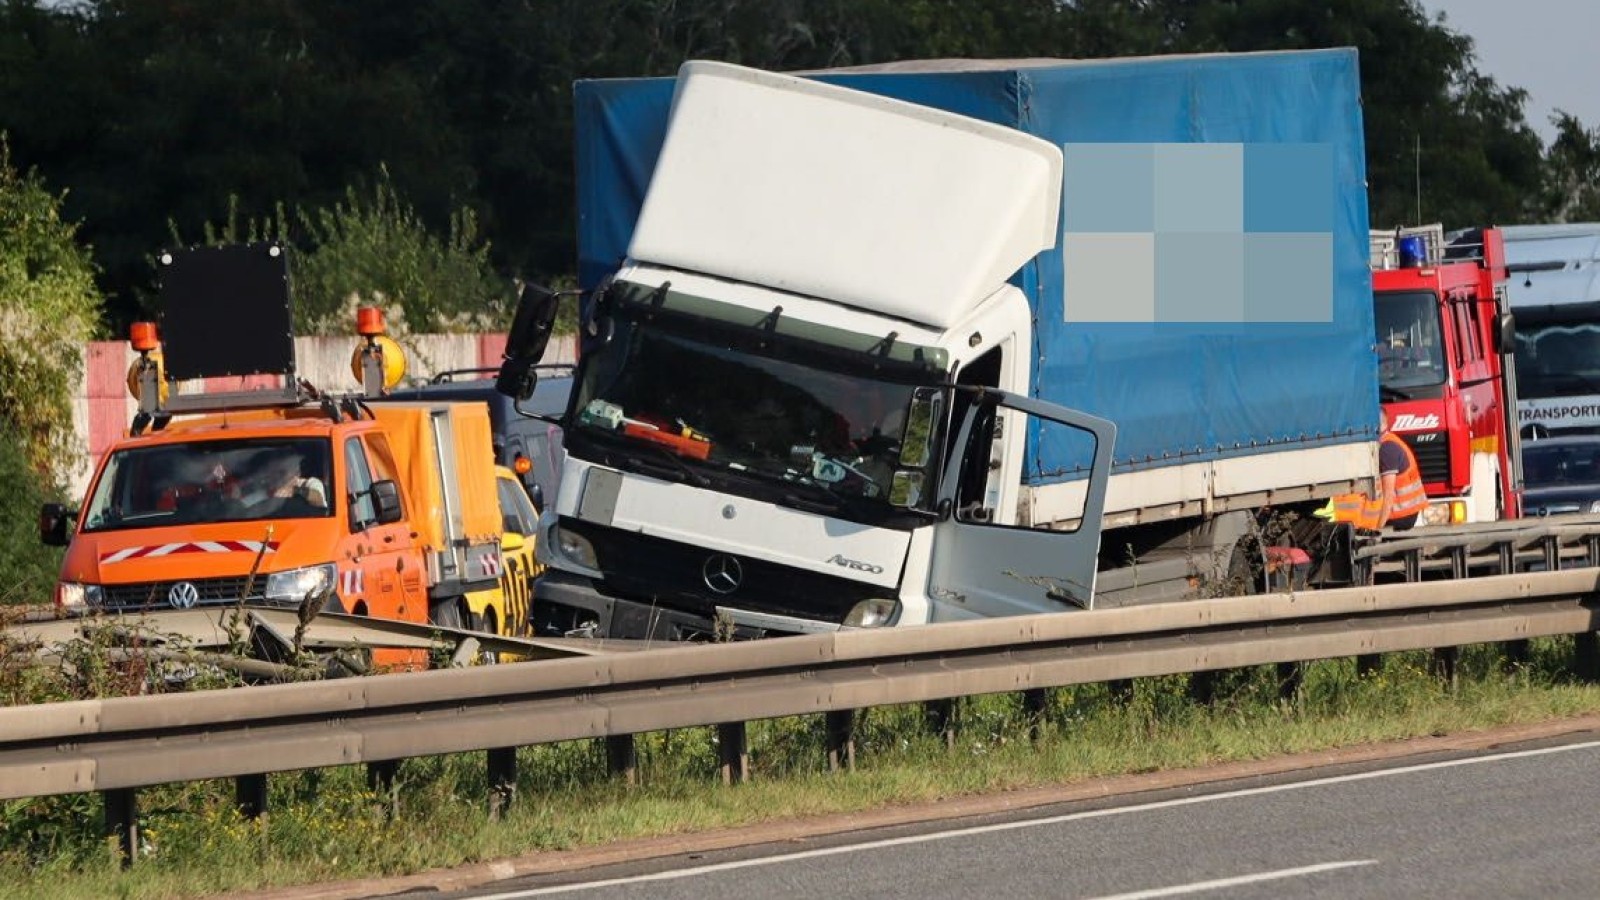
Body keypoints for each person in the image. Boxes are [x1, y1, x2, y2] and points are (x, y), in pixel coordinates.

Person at [1316, 409, 1427, 532]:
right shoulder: (1388, 442)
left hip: (1400, 514)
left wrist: (1378, 528)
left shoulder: (1387, 449)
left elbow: (1388, 495)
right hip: (1402, 512)